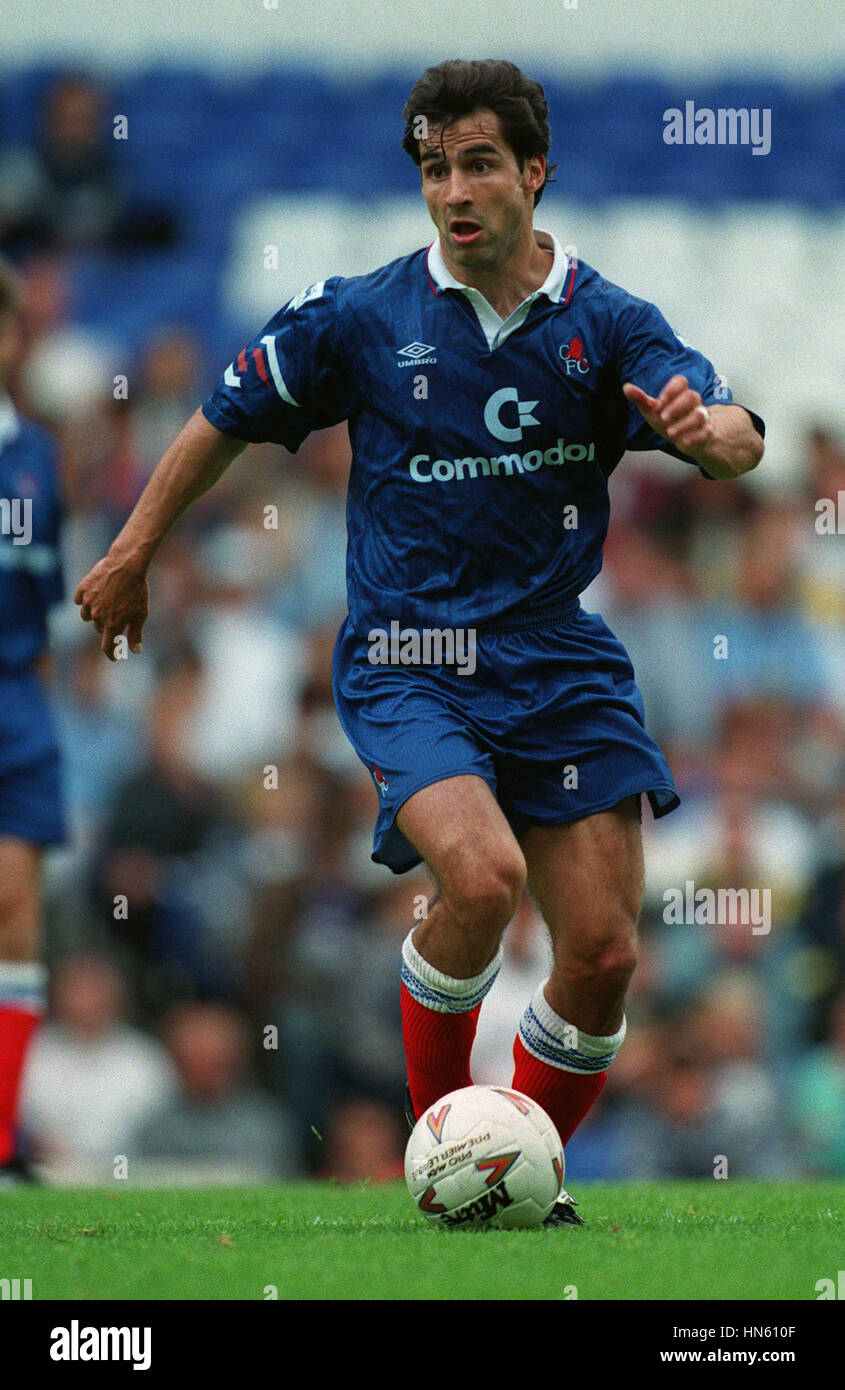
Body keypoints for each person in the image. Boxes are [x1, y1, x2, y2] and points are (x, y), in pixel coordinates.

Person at [74, 59, 765, 1223]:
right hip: (412, 655)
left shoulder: (606, 322)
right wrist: (136, 549)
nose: (454, 187)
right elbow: (221, 415)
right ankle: (440, 1159)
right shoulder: (360, 314)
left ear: (534, 173)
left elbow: (734, 430)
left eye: (480, 162)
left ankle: (518, 1172)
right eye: (435, 166)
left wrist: (712, 436)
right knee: (483, 876)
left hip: (554, 654)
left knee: (600, 960)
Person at [0, 256, 66, 1180]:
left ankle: (3, 1145)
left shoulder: (37, 454)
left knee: (15, 913)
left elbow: (41, 594)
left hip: (16, 700)